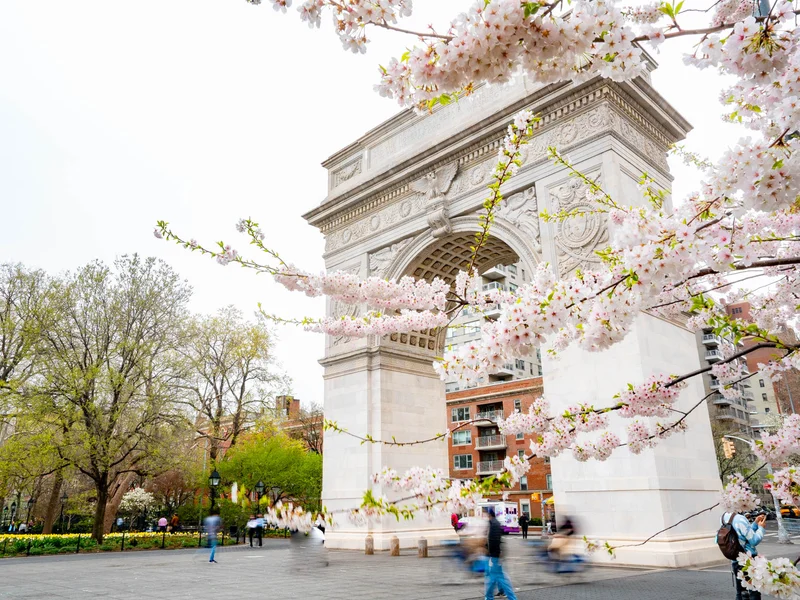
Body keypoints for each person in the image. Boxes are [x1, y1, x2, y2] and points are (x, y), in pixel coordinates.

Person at [718, 511, 766, 600]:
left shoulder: (723, 517)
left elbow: (741, 535)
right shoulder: (740, 518)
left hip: (736, 559)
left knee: (740, 592)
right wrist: (761, 528)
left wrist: (755, 524)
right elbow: (754, 540)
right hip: (748, 559)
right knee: (754, 591)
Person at [484, 507, 518, 600]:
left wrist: (491, 553)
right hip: (496, 555)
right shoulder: (494, 523)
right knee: (497, 578)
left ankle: (490, 597)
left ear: (489, 515)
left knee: (495, 578)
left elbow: (493, 540)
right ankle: (490, 597)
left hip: (494, 555)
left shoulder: (493, 524)